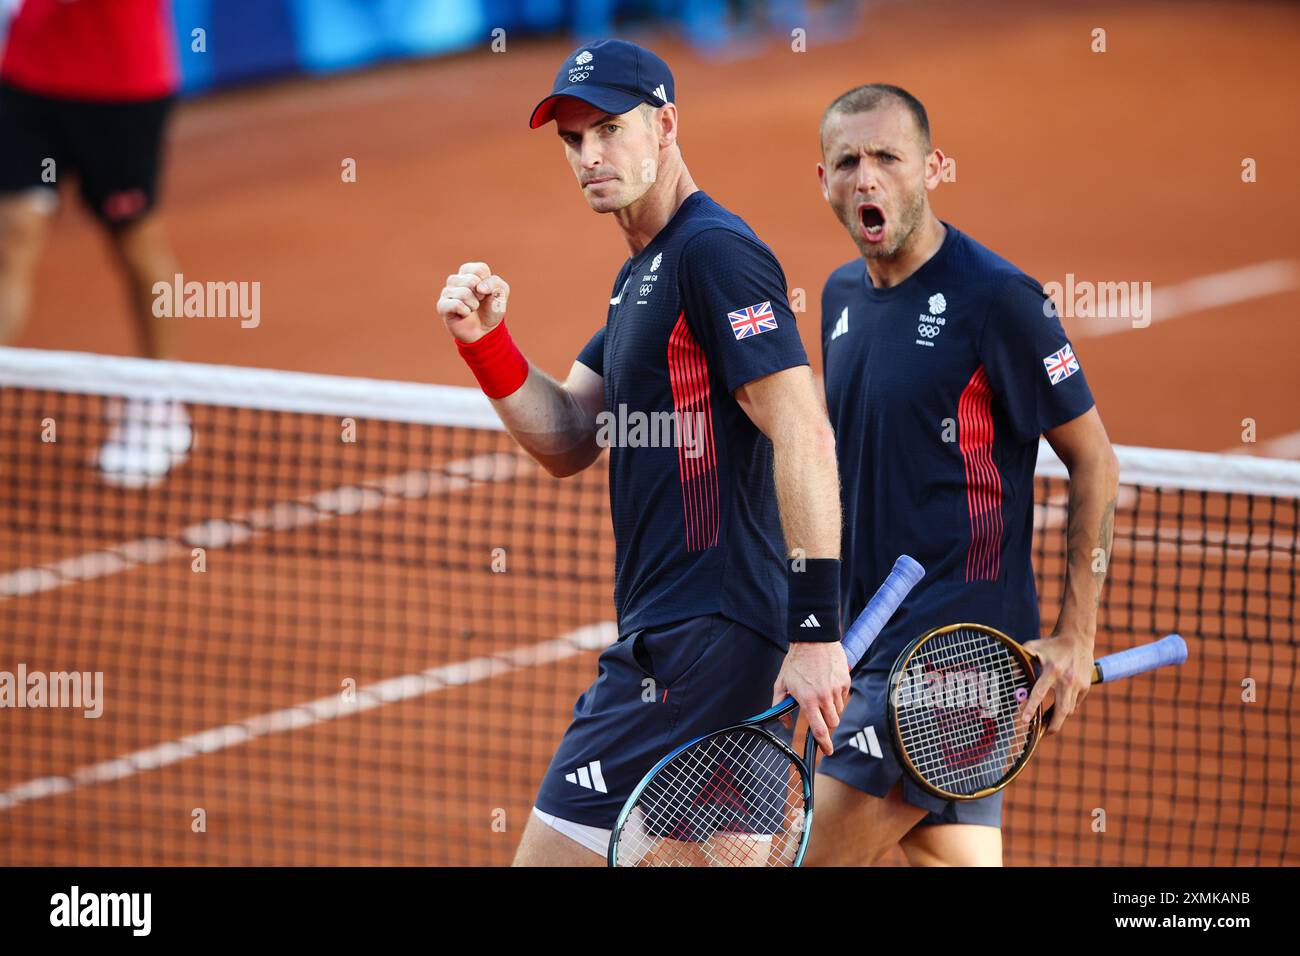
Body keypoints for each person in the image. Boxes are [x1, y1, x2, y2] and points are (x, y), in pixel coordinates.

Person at [435, 39, 849, 865]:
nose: (590, 156)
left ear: (665, 126)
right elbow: (570, 437)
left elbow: (802, 427)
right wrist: (487, 346)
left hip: (701, 638)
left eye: (609, 131)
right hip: (692, 635)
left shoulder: (713, 254)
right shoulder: (640, 279)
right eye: (572, 140)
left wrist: (814, 633)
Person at [804, 84, 1121, 866]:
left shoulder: (998, 300)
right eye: (848, 161)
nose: (867, 178)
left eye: (888, 157)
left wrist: (1077, 636)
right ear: (823, 182)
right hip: (873, 646)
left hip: (959, 656)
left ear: (934, 168)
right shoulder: (842, 297)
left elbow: (1094, 459)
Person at [0, 0, 189, 486]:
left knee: (136, 246)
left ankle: (158, 395)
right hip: (30, 75)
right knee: (15, 229)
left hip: (122, 83)